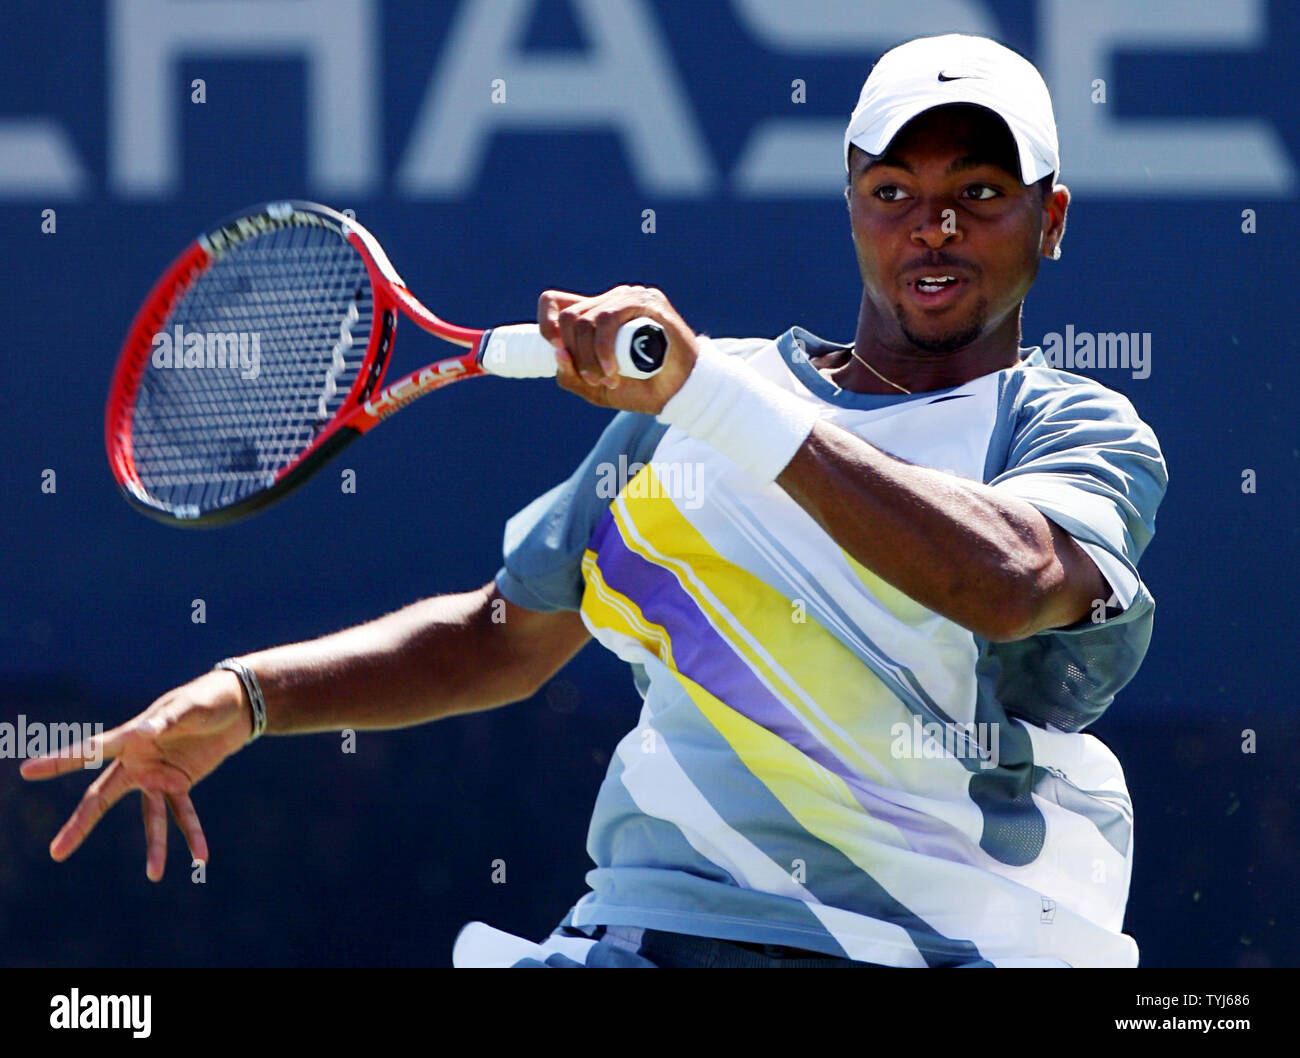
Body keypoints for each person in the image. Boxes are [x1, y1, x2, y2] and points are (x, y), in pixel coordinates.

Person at [22, 33, 1166, 968]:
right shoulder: (688, 413)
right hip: (642, 939)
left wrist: (712, 397)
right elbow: (497, 640)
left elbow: (1009, 582)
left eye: (979, 192)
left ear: (1050, 218)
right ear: (853, 209)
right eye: (893, 191)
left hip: (937, 951)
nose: (935, 224)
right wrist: (246, 694)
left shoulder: (1070, 431)